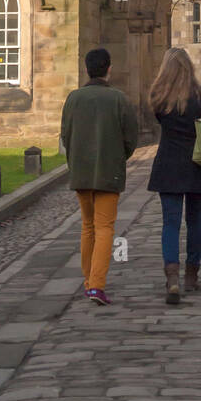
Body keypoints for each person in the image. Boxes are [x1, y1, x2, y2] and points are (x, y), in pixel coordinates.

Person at [61, 47, 138, 308]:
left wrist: (77, 161)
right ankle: (96, 285)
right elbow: (131, 138)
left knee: (87, 227)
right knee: (105, 228)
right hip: (108, 171)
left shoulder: (73, 98)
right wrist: (117, 157)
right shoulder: (119, 99)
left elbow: (66, 135)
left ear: (87, 69)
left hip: (81, 171)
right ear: (109, 69)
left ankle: (89, 281)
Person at [147, 47, 201, 305]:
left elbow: (160, 121)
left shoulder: (159, 97)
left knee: (170, 223)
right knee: (195, 221)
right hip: (197, 165)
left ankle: (172, 279)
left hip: (168, 165)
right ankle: (192, 275)